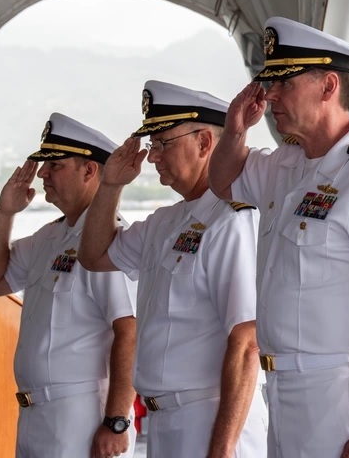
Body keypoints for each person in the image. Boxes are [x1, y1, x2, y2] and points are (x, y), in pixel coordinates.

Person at [209, 16, 349, 458]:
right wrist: (234, 130)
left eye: (285, 83)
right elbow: (223, 180)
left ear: (328, 86)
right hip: (284, 390)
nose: (270, 95)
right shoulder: (284, 165)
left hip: (340, 394)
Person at [77, 80, 267, 457]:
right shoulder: (164, 223)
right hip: (165, 422)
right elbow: (94, 255)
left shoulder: (232, 220)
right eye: (153, 145)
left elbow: (247, 340)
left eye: (163, 143)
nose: (152, 157)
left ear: (204, 143)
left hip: (211, 417)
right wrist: (111, 185)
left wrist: (224, 445)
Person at [0, 112, 137, 458]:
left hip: (79, 413)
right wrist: (4, 212)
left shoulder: (110, 241)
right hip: (34, 412)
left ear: (89, 171)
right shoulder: (49, 237)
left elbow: (129, 331)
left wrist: (117, 420)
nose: (43, 173)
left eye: (55, 165)